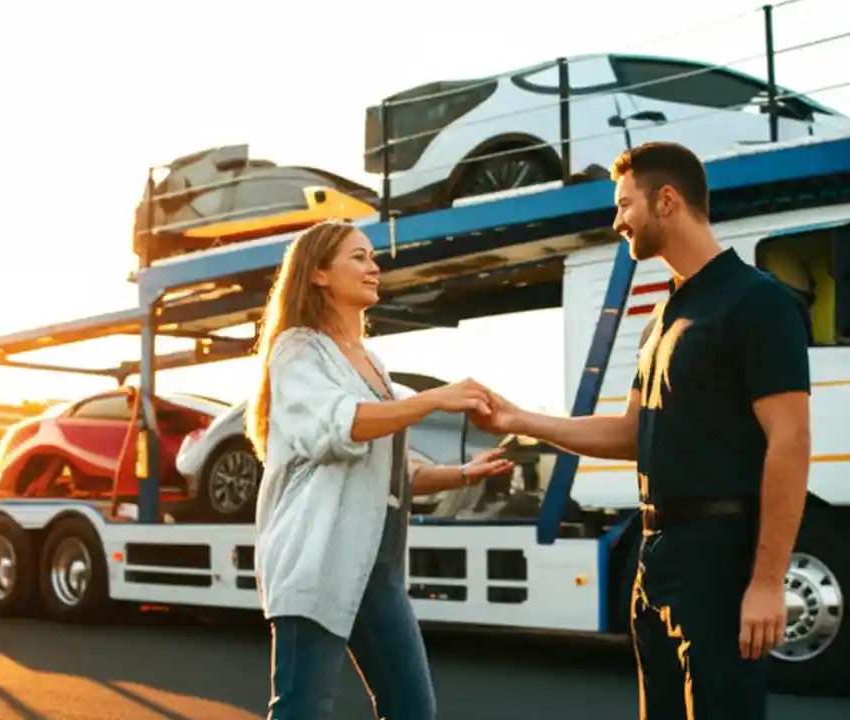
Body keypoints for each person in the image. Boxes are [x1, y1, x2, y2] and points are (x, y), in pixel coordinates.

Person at [471, 141, 812, 719]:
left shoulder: (756, 301)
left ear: (668, 201)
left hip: (720, 557)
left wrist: (767, 580)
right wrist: (519, 420)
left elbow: (790, 442)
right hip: (656, 554)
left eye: (625, 205)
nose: (617, 221)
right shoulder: (666, 313)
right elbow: (632, 433)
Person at [245, 220, 516, 720]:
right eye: (359, 257)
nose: (375, 267)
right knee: (302, 710)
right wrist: (434, 399)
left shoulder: (372, 363)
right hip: (320, 556)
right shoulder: (298, 349)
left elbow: (389, 473)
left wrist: (462, 473)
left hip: (378, 566)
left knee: (412, 708)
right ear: (320, 274)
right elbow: (337, 428)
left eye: (373, 257)